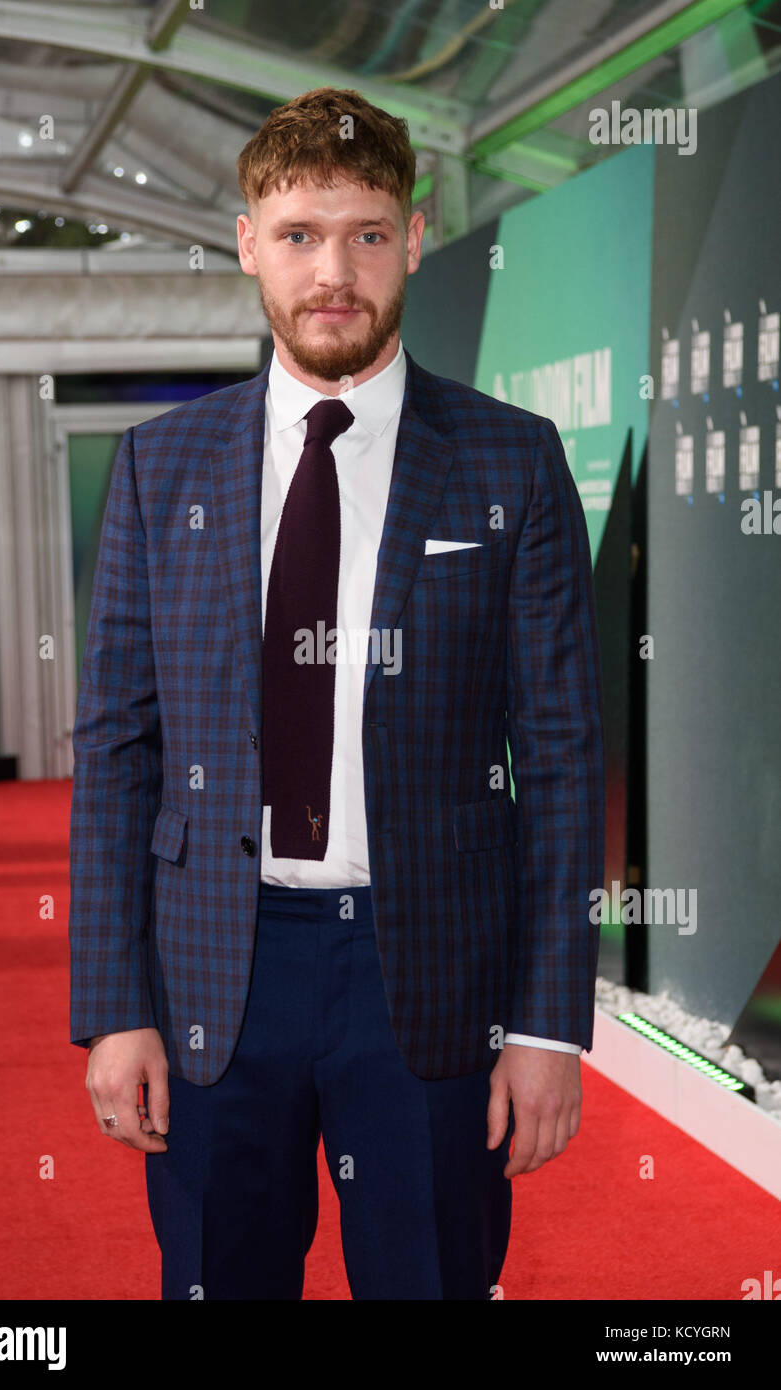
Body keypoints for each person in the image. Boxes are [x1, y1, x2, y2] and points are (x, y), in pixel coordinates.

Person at [68, 86, 604, 1301]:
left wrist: (546, 1026)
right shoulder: (163, 468)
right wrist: (111, 1006)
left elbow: (563, 754)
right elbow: (117, 748)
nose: (334, 272)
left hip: (427, 981)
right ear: (249, 242)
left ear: (412, 239)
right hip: (214, 971)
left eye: (366, 233)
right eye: (300, 234)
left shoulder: (509, 459)